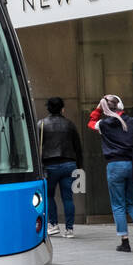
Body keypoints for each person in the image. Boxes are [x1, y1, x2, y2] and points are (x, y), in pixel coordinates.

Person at [89, 94, 133, 252]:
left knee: (118, 205)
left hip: (114, 166)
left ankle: (125, 241)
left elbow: (91, 123)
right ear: (121, 105)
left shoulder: (103, 124)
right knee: (131, 202)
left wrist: (98, 108)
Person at [39, 97, 83, 238]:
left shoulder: (41, 124)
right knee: (68, 198)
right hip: (69, 165)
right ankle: (69, 229)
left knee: (50, 196)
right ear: (62, 109)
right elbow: (78, 147)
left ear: (48, 109)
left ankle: (53, 225)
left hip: (49, 166)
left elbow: (37, 147)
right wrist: (79, 166)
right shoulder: (69, 124)